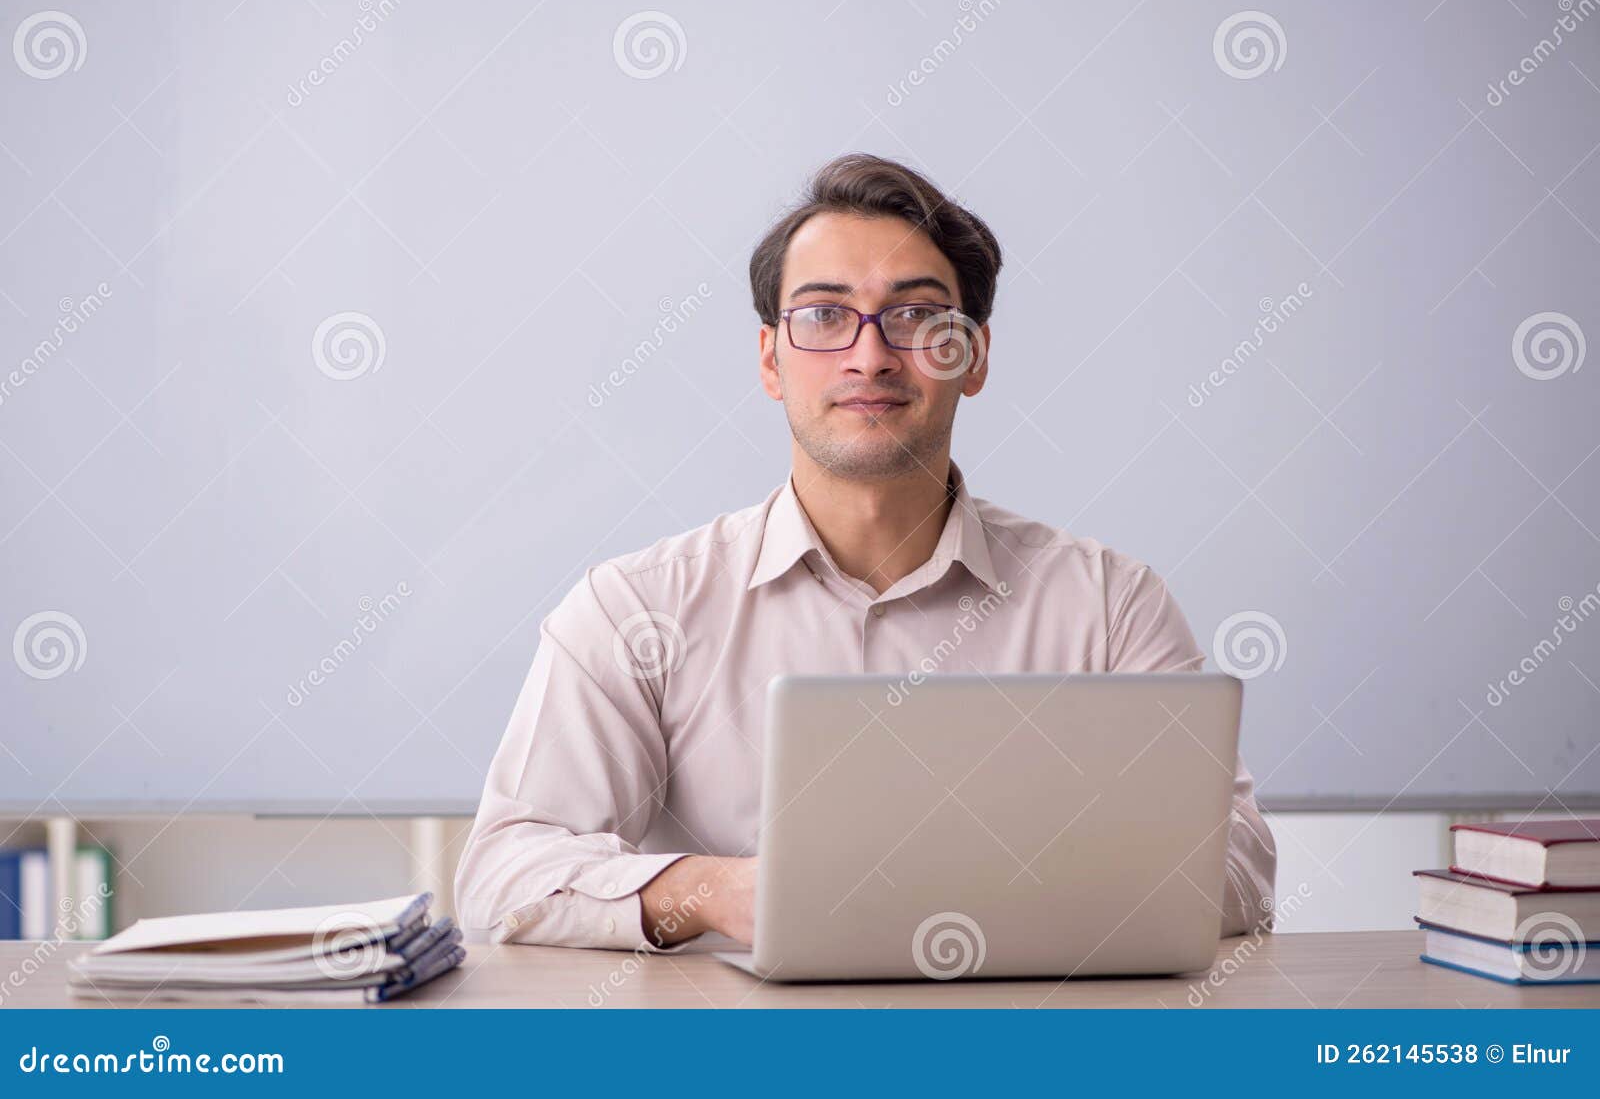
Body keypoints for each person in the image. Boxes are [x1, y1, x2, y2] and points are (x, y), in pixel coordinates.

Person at [455, 153, 1276, 950]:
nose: (870, 354)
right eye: (823, 315)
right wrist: (719, 892)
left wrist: (1015, 892)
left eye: (918, 315)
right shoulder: (636, 609)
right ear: (771, 360)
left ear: (976, 356)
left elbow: (1237, 865)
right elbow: (504, 877)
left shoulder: (1106, 605)